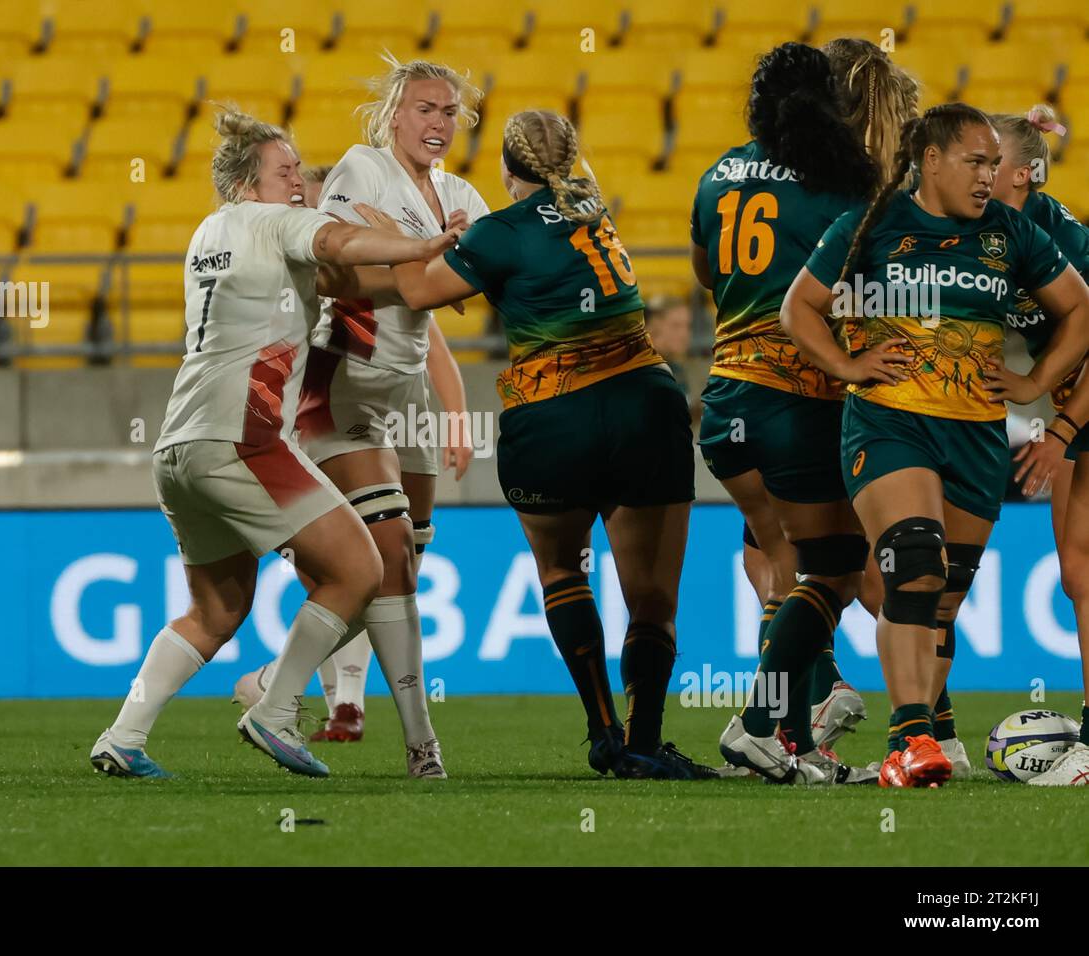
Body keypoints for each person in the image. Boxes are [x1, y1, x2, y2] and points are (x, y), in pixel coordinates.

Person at [88, 108, 458, 780]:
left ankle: (123, 734)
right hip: (244, 441)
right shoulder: (275, 222)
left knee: (217, 609)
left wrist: (410, 279)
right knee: (361, 569)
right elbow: (340, 246)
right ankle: (275, 709)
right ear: (246, 185)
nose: (299, 181)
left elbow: (338, 278)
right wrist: (422, 247)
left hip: (178, 447)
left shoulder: (210, 233)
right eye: (285, 171)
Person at [360, 108, 716, 779]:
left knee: (562, 570)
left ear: (505, 168)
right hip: (645, 404)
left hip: (552, 418)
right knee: (653, 600)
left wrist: (387, 227)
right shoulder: (593, 209)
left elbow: (414, 290)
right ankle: (644, 742)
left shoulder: (498, 233)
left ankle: (603, 728)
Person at [782, 102, 1089, 787]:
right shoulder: (872, 224)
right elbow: (798, 306)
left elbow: (1082, 309)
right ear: (932, 161)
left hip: (976, 435)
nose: (991, 178)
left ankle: (928, 739)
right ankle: (910, 738)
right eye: (976, 163)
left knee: (944, 599)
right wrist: (846, 366)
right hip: (889, 422)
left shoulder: (1011, 231)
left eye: (993, 165)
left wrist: (1037, 379)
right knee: (913, 562)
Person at [235, 55, 488, 767]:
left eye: (450, 112)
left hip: (402, 393)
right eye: (425, 109)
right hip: (339, 380)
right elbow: (339, 272)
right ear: (394, 114)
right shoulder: (359, 169)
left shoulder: (462, 191)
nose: (439, 123)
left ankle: (270, 684)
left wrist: (418, 269)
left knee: (402, 562)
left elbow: (463, 289)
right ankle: (419, 746)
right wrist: (426, 266)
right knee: (389, 559)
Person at [692, 43, 881, 784]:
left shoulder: (718, 173)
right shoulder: (837, 182)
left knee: (781, 568)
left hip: (725, 398)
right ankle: (763, 723)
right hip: (797, 397)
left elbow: (707, 269)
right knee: (832, 568)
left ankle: (787, 747)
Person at [984, 105, 1089, 786]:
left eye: (985, 163)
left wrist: (1059, 429)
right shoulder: (997, 234)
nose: (972, 173)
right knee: (1078, 571)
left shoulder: (1066, 242)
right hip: (1073, 407)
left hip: (1078, 410)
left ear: (1021, 177)